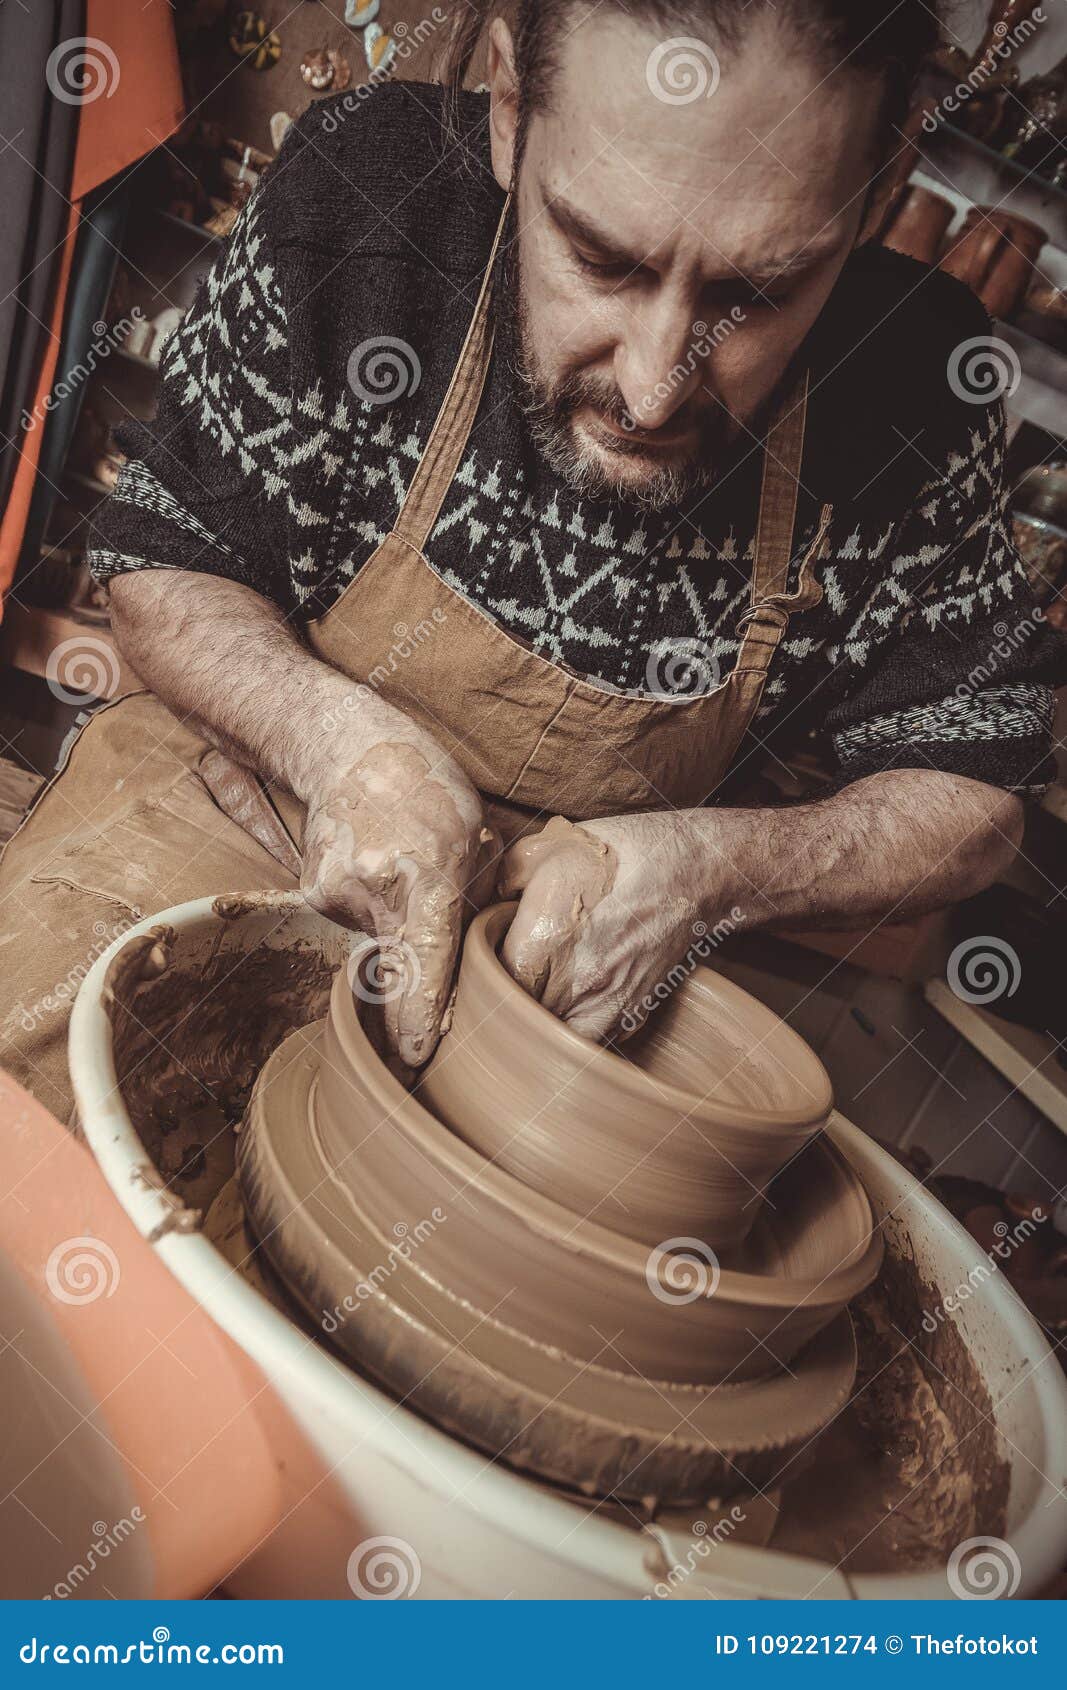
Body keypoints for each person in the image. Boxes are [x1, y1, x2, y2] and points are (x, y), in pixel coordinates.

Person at [2, 0, 1062, 1112]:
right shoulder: (370, 191)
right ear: (511, 105)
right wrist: (338, 748)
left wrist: (709, 876)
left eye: (754, 294)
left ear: (883, 179)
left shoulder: (916, 377)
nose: (654, 386)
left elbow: (973, 787)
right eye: (602, 258)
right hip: (230, 826)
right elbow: (164, 552)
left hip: (563, 971)